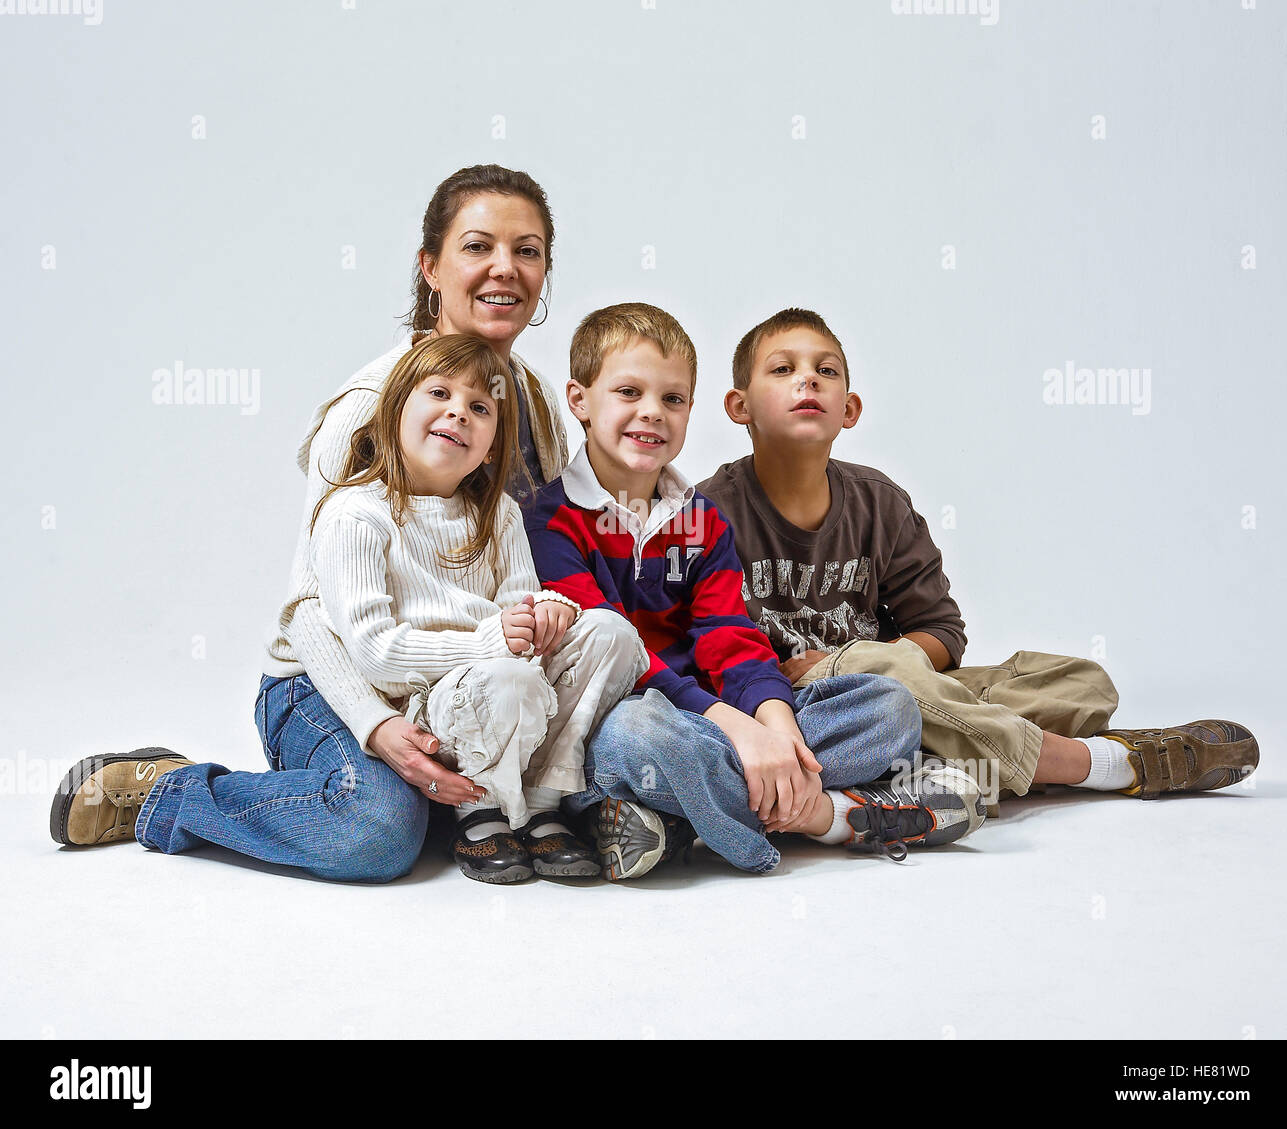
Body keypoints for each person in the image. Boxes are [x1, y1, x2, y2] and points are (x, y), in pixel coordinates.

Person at [49, 165, 586, 881]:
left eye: (527, 250)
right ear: (429, 266)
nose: (504, 269)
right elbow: (307, 611)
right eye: (478, 246)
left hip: (464, 679)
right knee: (379, 827)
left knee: (591, 763)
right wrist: (377, 726)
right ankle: (167, 793)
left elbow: (542, 567)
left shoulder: (535, 403)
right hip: (329, 678)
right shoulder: (368, 406)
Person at [696, 308, 1260, 813]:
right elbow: (693, 652)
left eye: (827, 369)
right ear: (738, 406)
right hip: (795, 708)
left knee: (1082, 683)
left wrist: (883, 659)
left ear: (850, 409)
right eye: (782, 369)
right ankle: (1105, 765)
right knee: (888, 682)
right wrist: (871, 669)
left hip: (901, 688)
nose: (808, 378)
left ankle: (940, 764)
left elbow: (941, 631)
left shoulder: (879, 502)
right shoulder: (707, 512)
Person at [524, 302, 986, 881]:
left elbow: (729, 634)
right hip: (627, 717)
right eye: (628, 392)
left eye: (672, 399)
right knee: (633, 738)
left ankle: (674, 821)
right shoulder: (549, 520)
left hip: (713, 719)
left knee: (888, 706)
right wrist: (738, 730)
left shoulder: (703, 519)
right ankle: (832, 816)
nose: (651, 414)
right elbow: (619, 660)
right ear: (579, 401)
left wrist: (776, 726)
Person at [308, 334, 645, 881]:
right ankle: (481, 810)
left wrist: (547, 613)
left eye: (479, 407)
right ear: (395, 410)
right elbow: (375, 654)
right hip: (431, 701)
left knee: (611, 631)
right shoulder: (356, 514)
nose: (457, 412)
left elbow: (518, 608)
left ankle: (540, 801)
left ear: (491, 446)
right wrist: (488, 644)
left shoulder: (500, 516)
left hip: (507, 682)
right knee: (508, 681)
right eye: (438, 393)